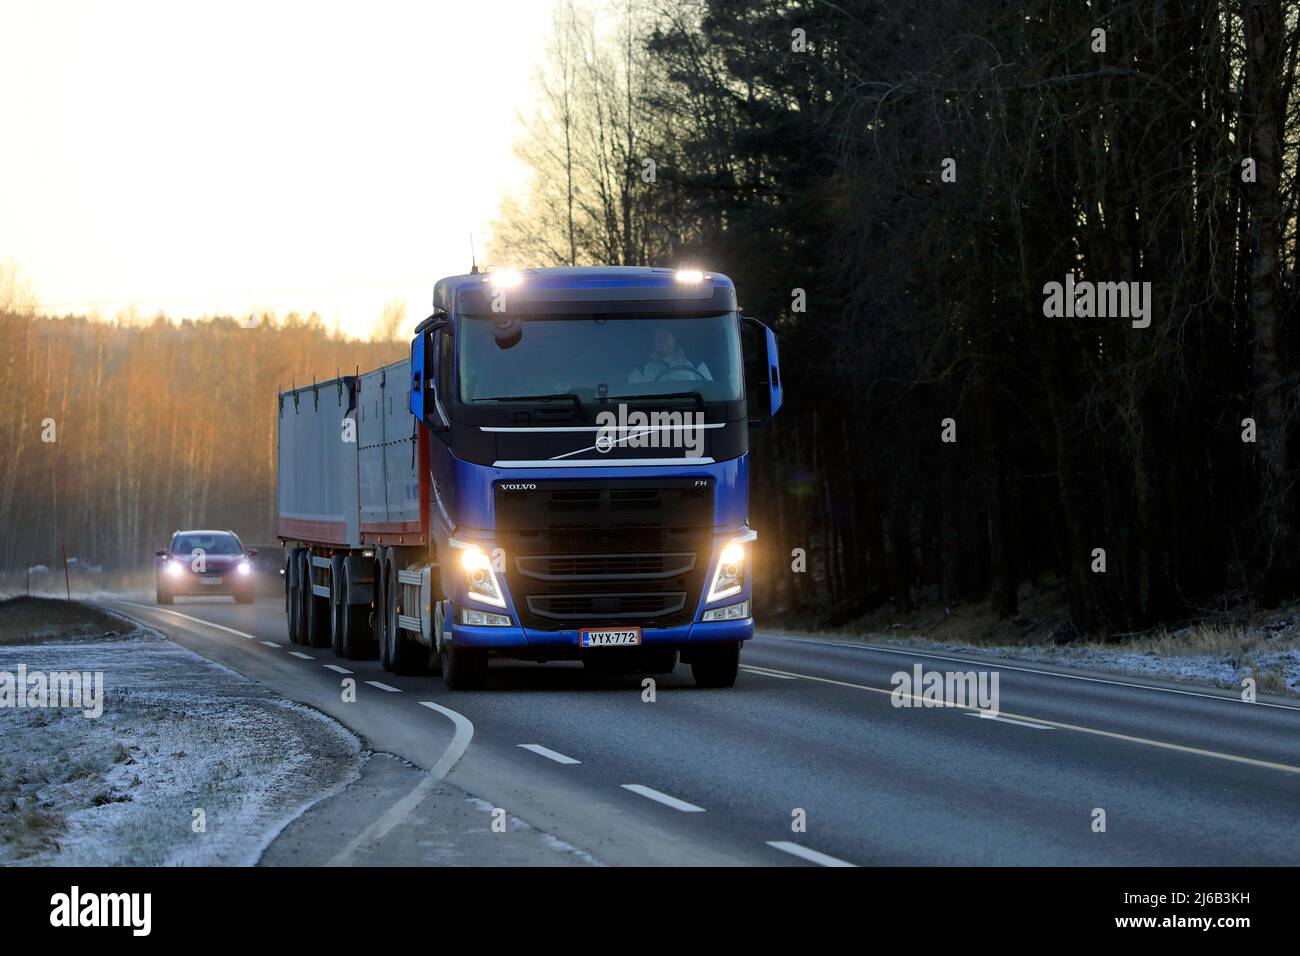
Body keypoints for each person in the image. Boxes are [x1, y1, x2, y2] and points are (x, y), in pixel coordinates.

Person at [628, 325, 713, 383]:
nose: (661, 341)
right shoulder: (640, 369)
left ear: (674, 338)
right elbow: (630, 398)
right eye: (657, 338)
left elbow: (710, 391)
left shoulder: (695, 363)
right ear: (653, 342)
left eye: (665, 337)